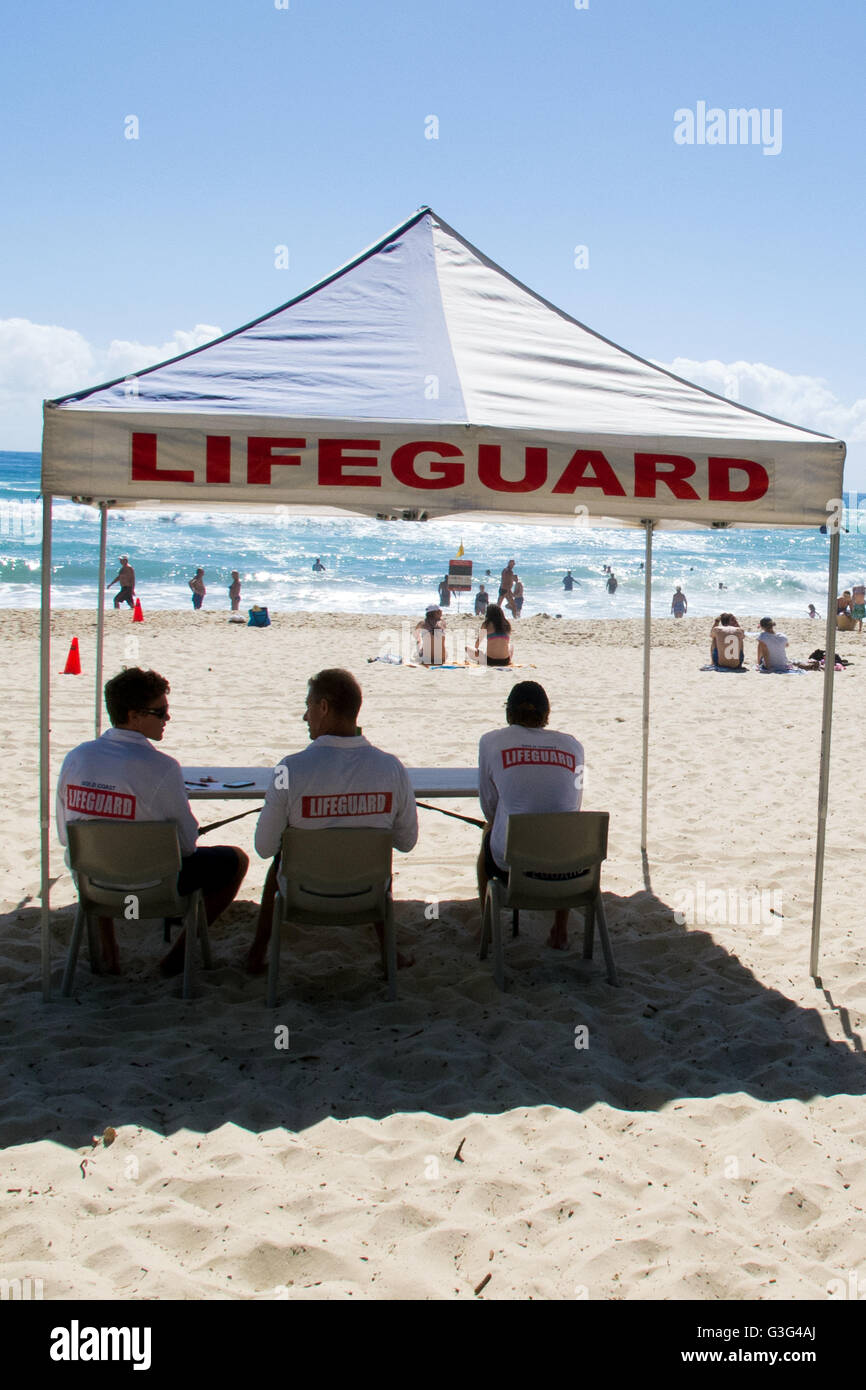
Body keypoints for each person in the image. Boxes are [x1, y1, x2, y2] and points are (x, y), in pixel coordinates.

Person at [55, 668, 248, 976]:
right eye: (160, 712)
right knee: (236, 860)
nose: (166, 719)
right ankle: (174, 960)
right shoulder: (162, 767)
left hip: (93, 882)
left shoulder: (76, 758)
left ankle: (109, 950)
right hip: (154, 887)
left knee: (100, 848)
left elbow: (66, 835)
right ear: (134, 715)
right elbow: (186, 847)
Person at [248, 668, 418, 974]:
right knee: (374, 857)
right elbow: (406, 842)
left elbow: (263, 847)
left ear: (323, 707)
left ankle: (257, 953)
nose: (305, 716)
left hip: (304, 895)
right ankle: (388, 951)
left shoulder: (290, 769)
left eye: (308, 705)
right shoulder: (392, 768)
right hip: (367, 893)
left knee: (279, 859)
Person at [478, 682, 584, 951]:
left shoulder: (491, 741)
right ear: (546, 714)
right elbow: (574, 807)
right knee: (563, 833)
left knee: (487, 836)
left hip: (515, 865)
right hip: (568, 869)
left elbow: (488, 806)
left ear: (509, 713)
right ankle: (560, 929)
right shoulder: (573, 745)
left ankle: (487, 927)